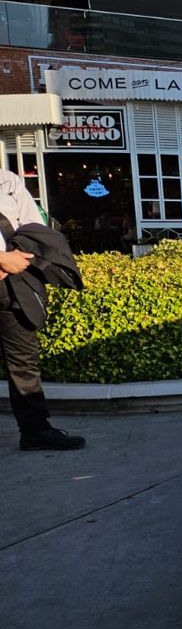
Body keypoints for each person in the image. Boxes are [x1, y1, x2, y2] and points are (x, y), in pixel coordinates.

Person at [0, 166, 85, 450]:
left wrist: (14, 259)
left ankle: (35, 431)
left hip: (14, 280)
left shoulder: (7, 179)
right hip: (7, 267)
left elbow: (33, 227)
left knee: (23, 360)